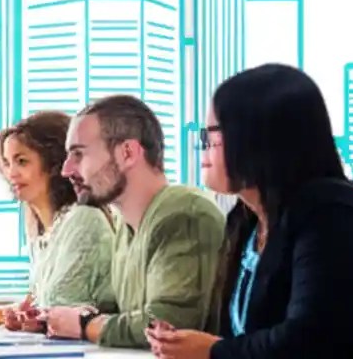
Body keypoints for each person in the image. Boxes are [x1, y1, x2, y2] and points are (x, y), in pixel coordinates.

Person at [147, 64, 353, 358]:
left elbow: (309, 343)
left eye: (211, 133)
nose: (203, 146)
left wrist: (213, 351)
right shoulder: (246, 219)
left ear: (256, 137)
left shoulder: (333, 217)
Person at [40, 94, 225, 349]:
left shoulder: (184, 214)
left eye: (79, 155)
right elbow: (123, 313)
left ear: (127, 153)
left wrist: (84, 325)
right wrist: (51, 321)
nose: (66, 170)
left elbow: (167, 324)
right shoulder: (125, 227)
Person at [0, 111, 116, 326]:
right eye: (7, 163)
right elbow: (40, 309)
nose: (11, 173)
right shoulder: (41, 227)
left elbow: (57, 312)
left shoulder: (83, 220)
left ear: (55, 165)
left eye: (22, 161)